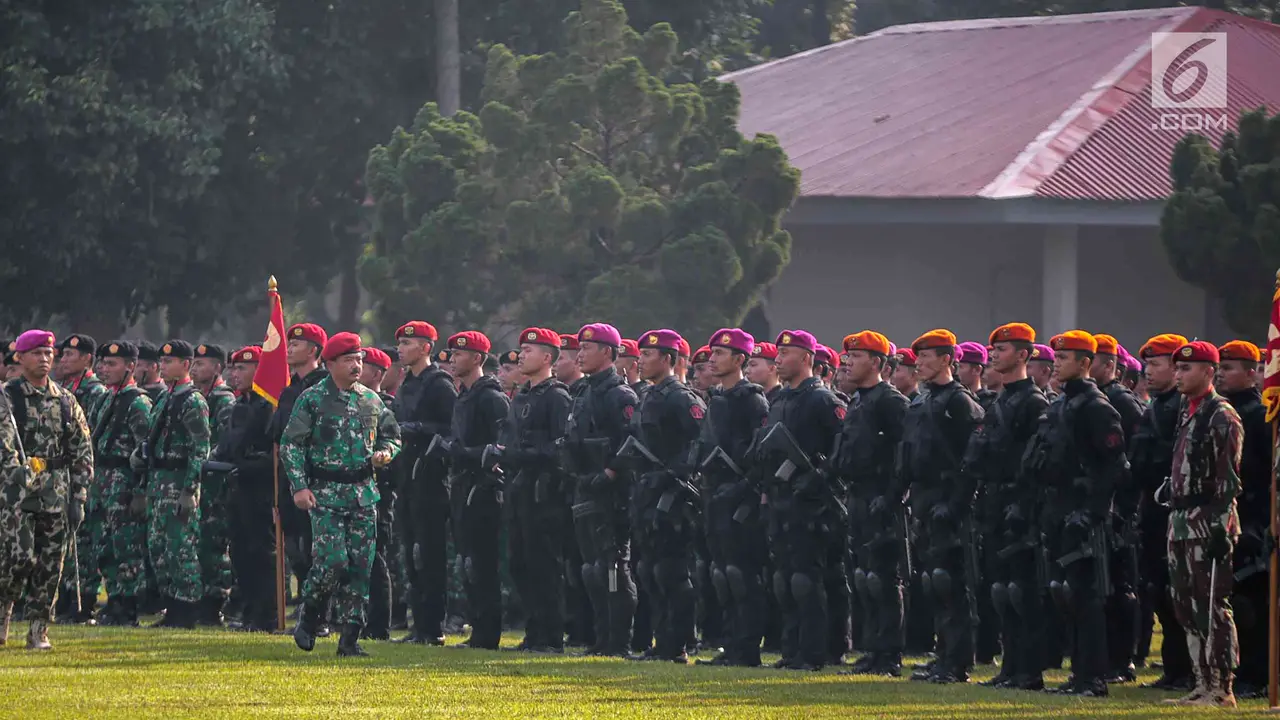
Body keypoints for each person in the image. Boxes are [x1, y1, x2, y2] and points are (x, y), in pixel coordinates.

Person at [283, 333, 400, 657]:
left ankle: (350, 637)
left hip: (363, 494)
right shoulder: (312, 399)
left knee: (361, 567)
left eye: (359, 360)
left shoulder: (370, 400)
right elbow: (291, 444)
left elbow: (392, 436)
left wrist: (385, 454)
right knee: (332, 561)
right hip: (325, 495)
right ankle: (310, 614)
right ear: (331, 363)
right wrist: (300, 486)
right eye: (349, 360)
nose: (357, 366)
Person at [1037, 331, 1127, 697]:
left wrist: (1091, 513)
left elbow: (1115, 466)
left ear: (1085, 364)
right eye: (1056, 358)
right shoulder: (1061, 404)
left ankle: (1094, 677)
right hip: (1059, 508)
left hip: (1083, 514)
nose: (1056, 363)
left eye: (1064, 359)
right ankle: (1079, 674)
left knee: (1084, 596)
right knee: (1065, 594)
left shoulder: (1096, 406)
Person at [965, 323, 1049, 690]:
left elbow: (1039, 462)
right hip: (995, 502)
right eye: (993, 349)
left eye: (1002, 349)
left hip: (1021, 505)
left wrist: (1025, 505)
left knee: (1022, 590)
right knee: (1000, 589)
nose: (994, 355)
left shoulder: (1033, 402)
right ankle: (1011, 666)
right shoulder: (1002, 400)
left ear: (1023, 355)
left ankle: (1029, 669)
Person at [1160, 341, 1242, 707]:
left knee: (1211, 606)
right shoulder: (1187, 411)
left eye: (1186, 369)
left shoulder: (1221, 415)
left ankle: (1221, 688)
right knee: (1185, 605)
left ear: (1209, 372)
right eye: (1176, 369)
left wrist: (1222, 529)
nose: (1178, 375)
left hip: (1208, 522)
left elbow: (1228, 480)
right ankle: (1200, 682)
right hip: (1180, 521)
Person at [0, 330, 94, 649]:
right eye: (37, 353)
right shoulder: (8, 398)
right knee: (17, 559)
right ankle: (3, 619)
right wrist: (19, 474)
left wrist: (79, 496)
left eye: (48, 353)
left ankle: (39, 630)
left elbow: (82, 450)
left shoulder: (66, 401)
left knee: (51, 565)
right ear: (20, 358)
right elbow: (5, 446)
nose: (44, 359)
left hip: (56, 494)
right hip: (16, 496)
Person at [759, 329, 846, 671]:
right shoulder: (780, 399)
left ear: (807, 359)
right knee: (784, 580)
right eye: (778, 353)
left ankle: (814, 652)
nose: (778, 359)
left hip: (812, 504)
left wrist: (818, 479)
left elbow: (841, 450)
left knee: (806, 581)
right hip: (782, 500)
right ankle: (792, 649)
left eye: (787, 353)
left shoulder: (823, 400)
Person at [900, 329, 984, 684]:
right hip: (923, 499)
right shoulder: (920, 401)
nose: (919, 362)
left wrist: (955, 502)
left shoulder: (958, 401)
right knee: (932, 582)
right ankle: (942, 654)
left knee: (949, 581)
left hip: (948, 499)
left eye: (927, 356)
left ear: (947, 359)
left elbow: (973, 459)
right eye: (918, 356)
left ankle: (957, 661)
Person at [625, 329, 705, 663]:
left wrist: (676, 476)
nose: (640, 360)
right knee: (648, 570)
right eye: (640, 354)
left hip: (673, 495)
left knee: (671, 572)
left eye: (648, 355)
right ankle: (662, 641)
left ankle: (679, 644)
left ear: (668, 360)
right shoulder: (648, 396)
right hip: (647, 491)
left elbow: (699, 444)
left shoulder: (681, 398)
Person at [836, 331, 909, 677]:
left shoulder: (890, 401)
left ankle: (889, 655)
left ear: (877, 363)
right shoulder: (859, 400)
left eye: (856, 356)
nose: (847, 361)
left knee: (882, 578)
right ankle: (872, 650)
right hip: (859, 496)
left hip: (882, 497)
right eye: (847, 355)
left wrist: (892, 495)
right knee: (865, 577)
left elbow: (904, 454)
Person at [695, 329, 769, 668]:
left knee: (741, 575)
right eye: (712, 353)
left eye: (721, 354)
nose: (713, 358)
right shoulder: (717, 399)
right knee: (722, 574)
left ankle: (747, 648)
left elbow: (760, 456)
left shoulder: (751, 400)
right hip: (713, 495)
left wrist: (739, 490)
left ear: (739, 360)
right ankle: (730, 643)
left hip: (739, 500)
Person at [564, 323, 639, 657]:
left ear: (607, 352)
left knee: (611, 569)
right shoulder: (584, 393)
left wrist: (609, 472)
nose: (580, 354)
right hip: (584, 489)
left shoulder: (619, 395)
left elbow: (630, 444)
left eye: (587, 348)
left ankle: (618, 641)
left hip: (611, 495)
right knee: (591, 570)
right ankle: (602, 636)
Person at [498, 328, 571, 652]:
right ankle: (534, 631)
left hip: (544, 493)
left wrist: (522, 455)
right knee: (520, 563)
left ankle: (551, 635)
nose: (521, 355)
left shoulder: (557, 397)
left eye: (529, 350)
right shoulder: (523, 396)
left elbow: (561, 447)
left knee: (544, 566)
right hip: (518, 489)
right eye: (521, 350)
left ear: (547, 358)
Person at [435, 331, 509, 649]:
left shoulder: (491, 397)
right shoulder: (463, 396)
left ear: (477, 358)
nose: (453, 359)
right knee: (468, 562)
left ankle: (488, 633)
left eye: (460, 354)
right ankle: (478, 629)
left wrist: (464, 453)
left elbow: (501, 447)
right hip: (462, 485)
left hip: (482, 488)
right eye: (451, 354)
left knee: (481, 563)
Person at [1131, 333, 1193, 689]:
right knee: (1159, 592)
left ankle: (1187, 669)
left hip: (1177, 511)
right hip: (1152, 511)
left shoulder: (1184, 408)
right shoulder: (1155, 406)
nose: (1148, 372)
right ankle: (1174, 670)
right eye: (1147, 365)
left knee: (1180, 593)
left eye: (1155, 364)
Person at [389, 321, 456, 646]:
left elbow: (450, 428)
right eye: (400, 342)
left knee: (429, 555)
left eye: (408, 342)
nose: (401, 348)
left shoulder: (439, 384)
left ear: (426, 347)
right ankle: (419, 625)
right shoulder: (407, 384)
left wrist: (416, 428)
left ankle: (434, 627)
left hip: (430, 478)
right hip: (407, 476)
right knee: (411, 553)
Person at [1087, 334, 1146, 685]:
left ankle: (1123, 660)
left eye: (1093, 359)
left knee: (1120, 586)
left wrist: (1125, 505)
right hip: (1098, 506)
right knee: (1098, 586)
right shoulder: (1090, 400)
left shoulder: (1122, 403)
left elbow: (1132, 461)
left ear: (1110, 365)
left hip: (1121, 508)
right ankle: (1104, 657)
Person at [140, 340, 211, 629]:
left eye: (171, 361)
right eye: (163, 361)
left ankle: (187, 609)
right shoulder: (166, 397)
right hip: (160, 480)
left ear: (186, 365)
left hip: (179, 479)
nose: (165, 365)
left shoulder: (192, 400)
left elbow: (200, 447)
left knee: (181, 547)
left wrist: (189, 490)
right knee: (159, 547)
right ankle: (171, 606)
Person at [1215, 341, 1268, 697]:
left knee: (1252, 603)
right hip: (1224, 517)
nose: (1220, 373)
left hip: (1253, 519)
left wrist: (1260, 524)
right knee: (1227, 599)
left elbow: (1267, 474)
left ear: (1252, 373)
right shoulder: (1217, 411)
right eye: (1219, 367)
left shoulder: (1263, 415)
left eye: (1229, 367)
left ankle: (1258, 674)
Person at [88, 342, 153, 628]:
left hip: (123, 480)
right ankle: (113, 599)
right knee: (104, 545)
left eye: (112, 364)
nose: (104, 369)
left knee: (126, 547)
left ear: (130, 366)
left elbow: (145, 451)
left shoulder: (138, 402)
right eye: (102, 363)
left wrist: (140, 492)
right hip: (101, 479)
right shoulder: (104, 398)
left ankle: (128, 605)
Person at [213, 346, 278, 633]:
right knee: (241, 552)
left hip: (262, 489)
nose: (234, 374)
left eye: (242, 369)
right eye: (233, 368)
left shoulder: (270, 405)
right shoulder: (242, 405)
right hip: (238, 486)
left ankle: (267, 614)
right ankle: (250, 611)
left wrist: (251, 466)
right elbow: (229, 446)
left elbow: (274, 453)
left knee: (262, 552)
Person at [269, 323, 329, 608]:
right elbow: (277, 435)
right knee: (295, 549)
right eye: (289, 343)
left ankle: (322, 611)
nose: (289, 348)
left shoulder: (324, 387)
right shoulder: (289, 389)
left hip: (315, 480)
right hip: (289, 479)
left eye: (297, 344)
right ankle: (308, 609)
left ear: (314, 351)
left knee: (315, 549)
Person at [53, 333, 109, 622]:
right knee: (63, 537)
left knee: (85, 539)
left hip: (83, 471)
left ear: (88, 358)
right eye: (62, 355)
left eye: (70, 355)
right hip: (59, 473)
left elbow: (93, 437)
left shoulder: (95, 392)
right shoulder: (61, 389)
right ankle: (63, 597)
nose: (63, 359)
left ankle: (83, 601)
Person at [191, 343, 236, 625]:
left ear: (218, 368)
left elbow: (224, 442)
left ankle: (215, 603)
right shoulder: (200, 396)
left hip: (217, 482)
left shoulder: (223, 400)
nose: (195, 368)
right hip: (202, 481)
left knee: (214, 544)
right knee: (201, 543)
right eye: (193, 363)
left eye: (202, 363)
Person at [358, 346, 399, 640]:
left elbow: (395, 445)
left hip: (379, 491)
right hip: (354, 491)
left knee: (376, 558)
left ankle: (379, 625)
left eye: (363, 364)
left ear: (377, 373)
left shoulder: (384, 407)